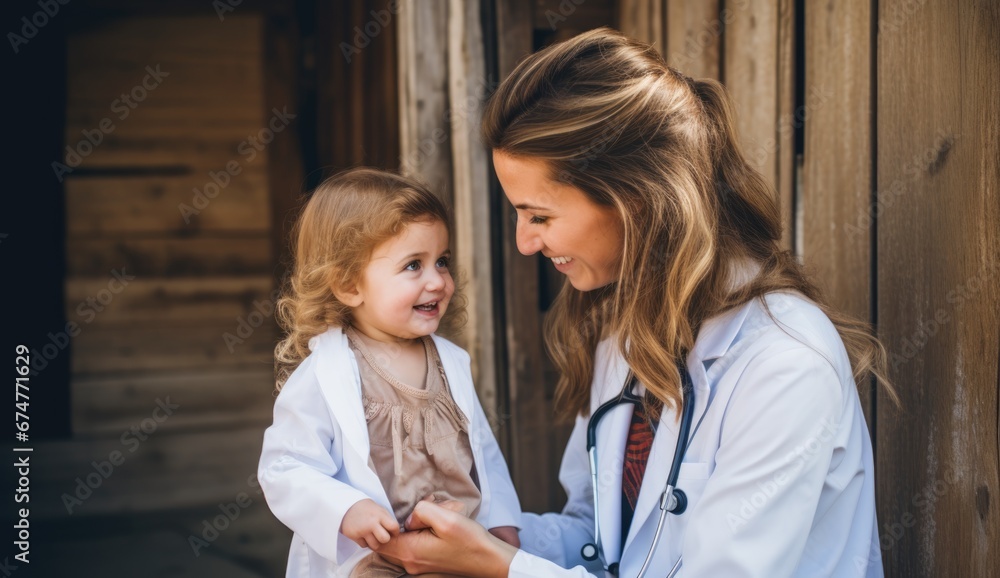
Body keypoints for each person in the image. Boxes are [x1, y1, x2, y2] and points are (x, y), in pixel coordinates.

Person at [377, 28, 896, 577]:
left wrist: (503, 567)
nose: (525, 242)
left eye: (540, 216)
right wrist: (482, 536)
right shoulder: (625, 333)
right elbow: (601, 542)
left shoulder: (784, 367)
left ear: (635, 201)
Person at [257, 168, 522, 577]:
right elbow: (285, 467)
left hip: (456, 552)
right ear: (348, 285)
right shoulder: (326, 374)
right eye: (414, 265)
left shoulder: (450, 362)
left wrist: (502, 517)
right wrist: (346, 509)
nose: (438, 281)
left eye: (443, 261)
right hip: (378, 559)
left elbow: (483, 451)